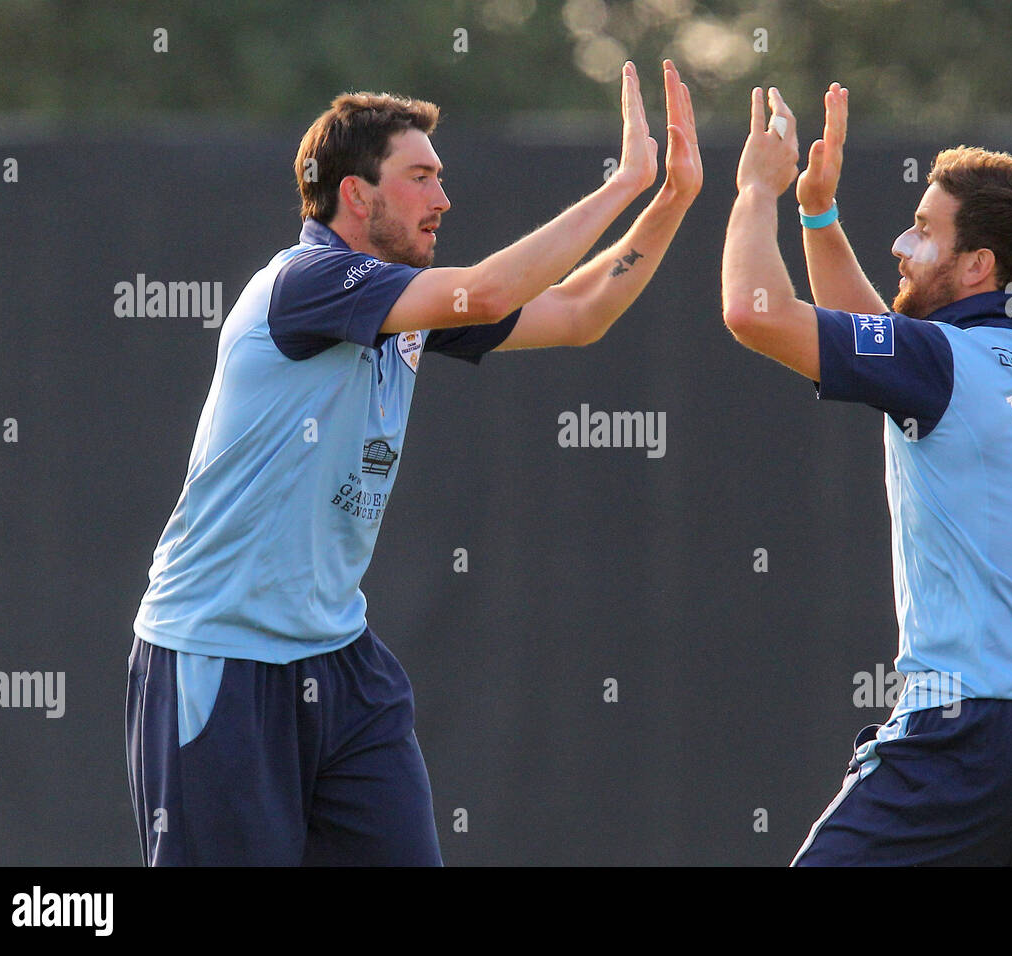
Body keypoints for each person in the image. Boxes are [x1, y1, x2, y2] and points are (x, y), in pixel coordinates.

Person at [126, 60, 702, 866]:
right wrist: (622, 184)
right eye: (421, 177)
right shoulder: (305, 283)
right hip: (221, 658)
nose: (443, 199)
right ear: (356, 194)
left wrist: (669, 197)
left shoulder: (405, 301)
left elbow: (580, 311)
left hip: (339, 660)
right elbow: (491, 294)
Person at [720, 83, 1012, 865]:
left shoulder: (940, 363)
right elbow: (880, 349)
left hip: (971, 731)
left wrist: (755, 190)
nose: (901, 244)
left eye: (923, 231)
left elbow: (754, 312)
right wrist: (820, 216)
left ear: (977, 263)